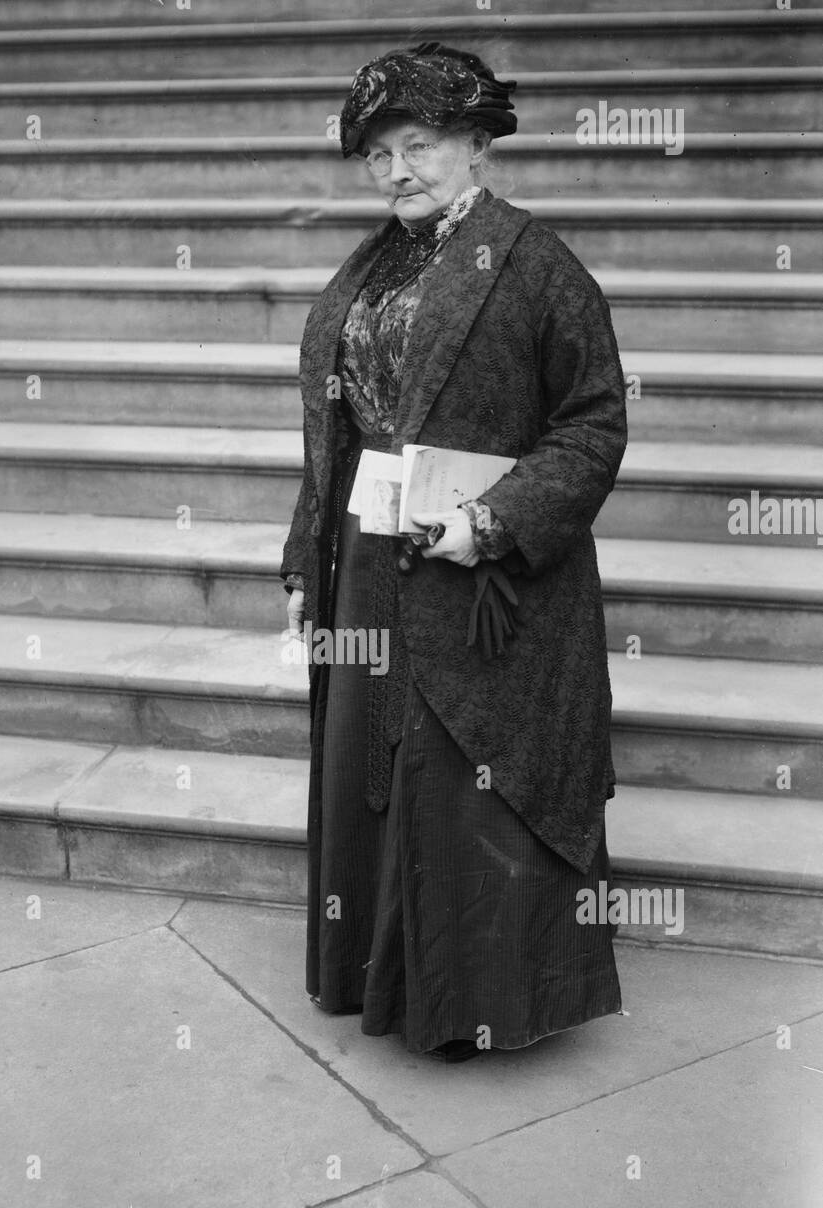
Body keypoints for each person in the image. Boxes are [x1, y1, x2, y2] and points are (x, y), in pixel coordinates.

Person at [281, 42, 628, 1063]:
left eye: (419, 145)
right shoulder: (372, 263)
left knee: (454, 778)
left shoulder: (536, 266)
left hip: (480, 568)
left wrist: (499, 521)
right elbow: (330, 433)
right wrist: (307, 554)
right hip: (367, 556)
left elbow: (593, 423)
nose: (397, 169)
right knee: (367, 766)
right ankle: (373, 978)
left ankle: (466, 1004)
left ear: (474, 146)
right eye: (379, 152)